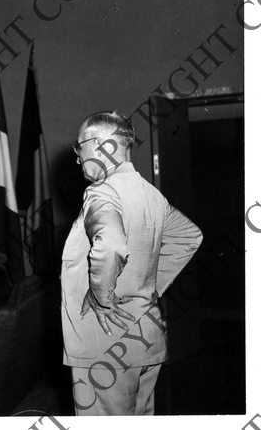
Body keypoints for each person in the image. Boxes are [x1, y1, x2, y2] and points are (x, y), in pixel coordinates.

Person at [62, 111, 203, 415]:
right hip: (144, 338)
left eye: (80, 148)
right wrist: (149, 288)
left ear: (102, 146)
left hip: (103, 346)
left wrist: (103, 298)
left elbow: (111, 244)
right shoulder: (152, 194)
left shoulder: (101, 192)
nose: (77, 158)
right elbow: (189, 237)